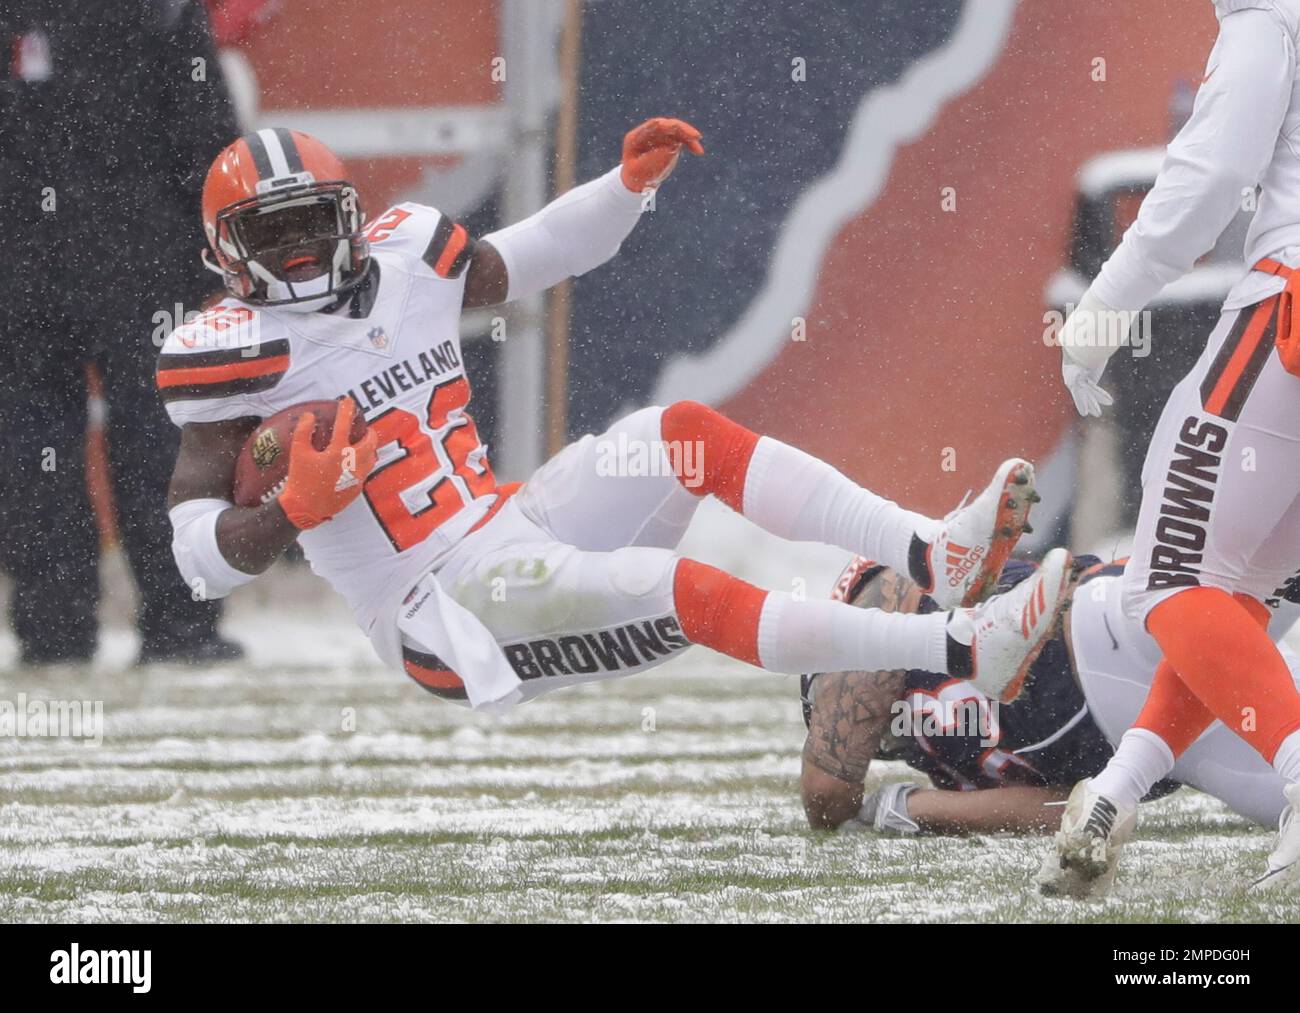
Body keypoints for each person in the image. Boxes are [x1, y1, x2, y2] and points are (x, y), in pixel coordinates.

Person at [157, 122, 1075, 715]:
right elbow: (196, 557)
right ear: (226, 256)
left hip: (503, 519)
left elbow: (543, 250)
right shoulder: (234, 354)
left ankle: (932, 554)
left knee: (683, 432)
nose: (305, 251)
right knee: (680, 584)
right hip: (437, 608)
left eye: (314, 221)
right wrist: (290, 512)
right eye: (274, 236)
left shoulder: (409, 258)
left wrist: (622, 186)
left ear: (353, 215)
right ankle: (958, 646)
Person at [1049, 0, 1300, 893]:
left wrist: (1103, 308)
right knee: (1231, 602)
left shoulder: (1272, 15)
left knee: (1167, 583)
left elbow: (1212, 173)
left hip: (1290, 307)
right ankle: (1116, 791)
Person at [0, 0, 241, 664]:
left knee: (39, 450)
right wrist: (213, 244)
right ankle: (178, 626)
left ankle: (57, 629)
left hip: (43, 260)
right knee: (148, 446)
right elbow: (206, 125)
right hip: (133, 257)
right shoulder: (160, 10)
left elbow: (205, 121)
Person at [799, 556, 1298, 876]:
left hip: (1106, 637)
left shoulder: (882, 598)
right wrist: (905, 808)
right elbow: (1063, 809)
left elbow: (826, 795)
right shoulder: (939, 756)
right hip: (1167, 746)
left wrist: (852, 799)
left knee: (1272, 558)